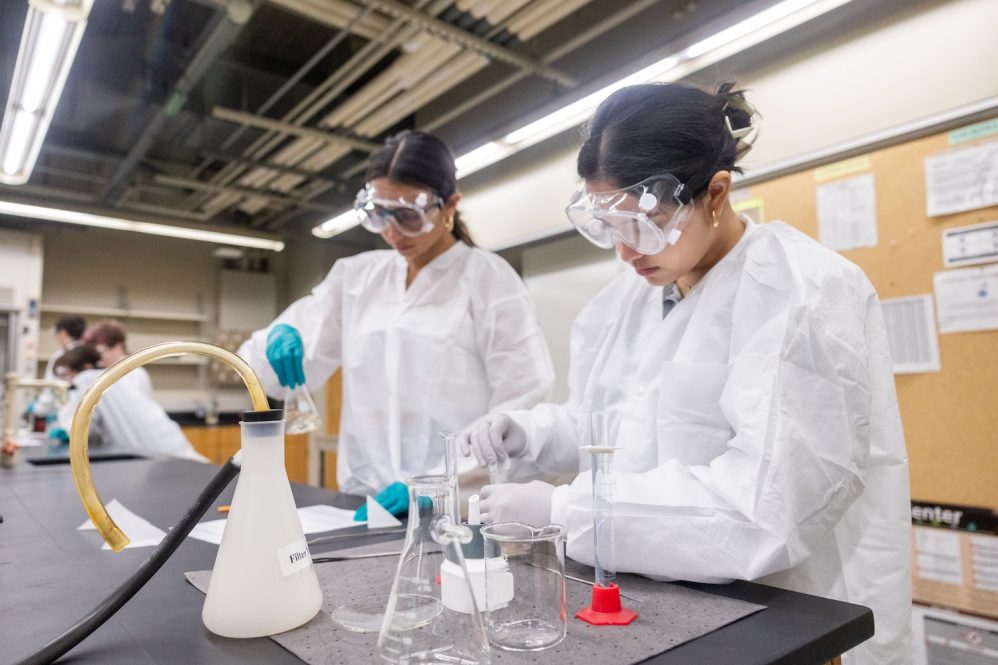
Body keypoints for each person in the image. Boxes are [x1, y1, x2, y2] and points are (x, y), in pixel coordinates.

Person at [459, 83, 911, 664]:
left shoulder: (800, 293)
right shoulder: (629, 299)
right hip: (657, 606)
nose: (625, 252)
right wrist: (532, 432)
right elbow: (609, 423)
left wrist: (563, 512)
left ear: (716, 193)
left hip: (782, 619)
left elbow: (764, 509)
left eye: (643, 225)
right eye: (610, 227)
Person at [239, 130, 554, 516]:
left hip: (453, 507)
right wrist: (276, 341)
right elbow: (279, 376)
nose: (392, 231)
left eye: (408, 215)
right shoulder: (355, 279)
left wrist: (434, 486)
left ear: (450, 204)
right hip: (365, 501)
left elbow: (520, 405)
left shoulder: (489, 279)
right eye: (380, 215)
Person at [53, 345, 207, 463]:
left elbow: (80, 428)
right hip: (172, 447)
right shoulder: (112, 376)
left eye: (68, 375)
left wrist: (64, 427)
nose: (68, 381)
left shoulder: (87, 379)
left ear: (84, 368)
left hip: (161, 457)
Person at [83, 320, 153, 398]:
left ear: (118, 346)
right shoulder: (105, 371)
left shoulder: (135, 373)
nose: (98, 356)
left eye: (101, 350)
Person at [43, 314, 85, 381]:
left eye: (57, 334)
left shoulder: (59, 356)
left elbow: (50, 384)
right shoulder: (91, 353)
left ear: (63, 333)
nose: (57, 338)